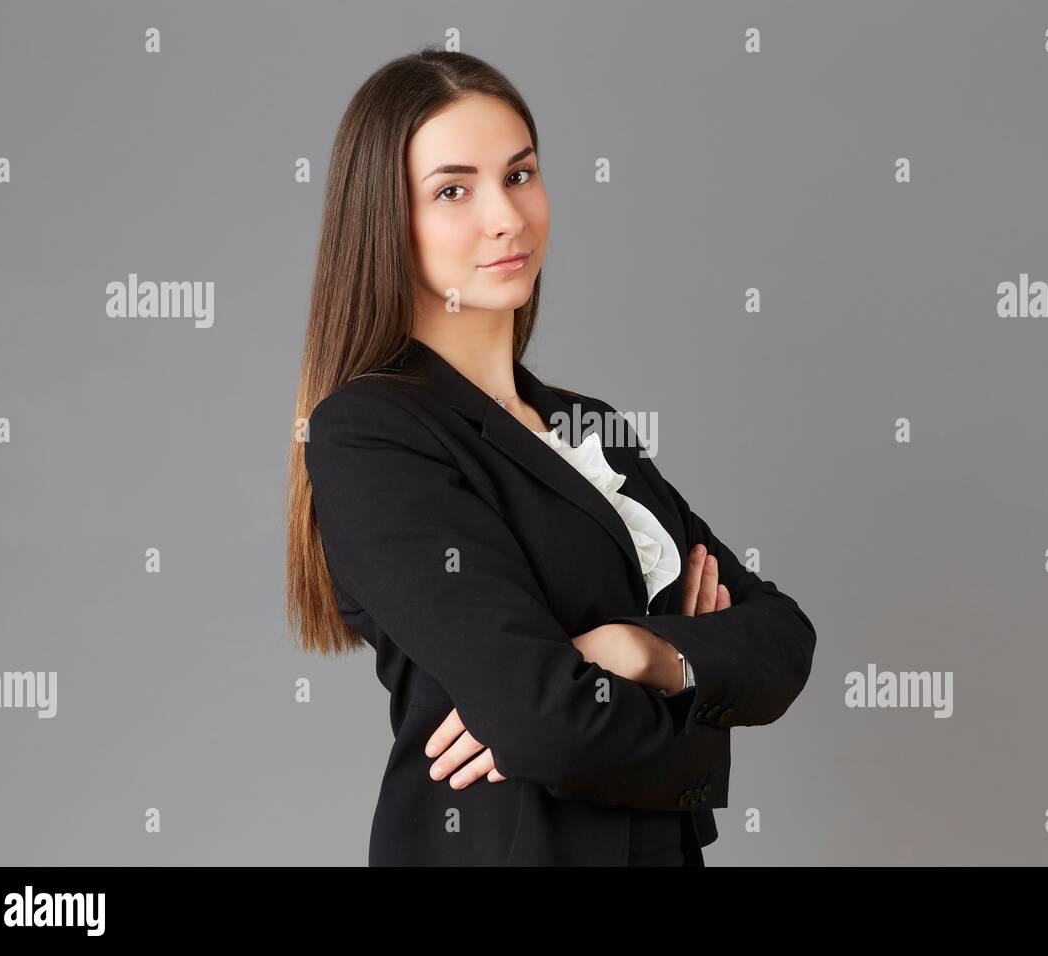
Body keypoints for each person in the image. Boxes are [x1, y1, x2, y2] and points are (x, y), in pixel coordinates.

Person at [285, 48, 816, 866]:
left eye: (521, 175)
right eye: (454, 190)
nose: (507, 216)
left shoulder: (587, 425)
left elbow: (783, 639)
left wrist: (636, 651)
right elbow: (549, 726)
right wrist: (700, 701)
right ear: (386, 219)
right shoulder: (371, 433)